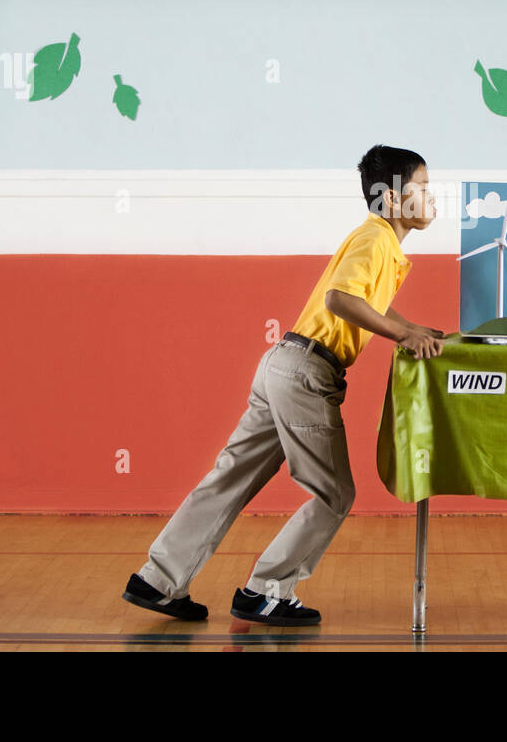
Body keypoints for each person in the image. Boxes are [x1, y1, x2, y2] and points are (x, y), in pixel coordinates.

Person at [121, 144, 444, 625]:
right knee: (335, 494)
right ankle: (265, 592)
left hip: (282, 364)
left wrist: (410, 327)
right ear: (393, 199)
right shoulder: (376, 239)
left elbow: (363, 299)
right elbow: (339, 299)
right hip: (306, 374)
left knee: (229, 477)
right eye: (421, 187)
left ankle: (158, 580)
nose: (431, 196)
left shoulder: (379, 243)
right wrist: (401, 333)